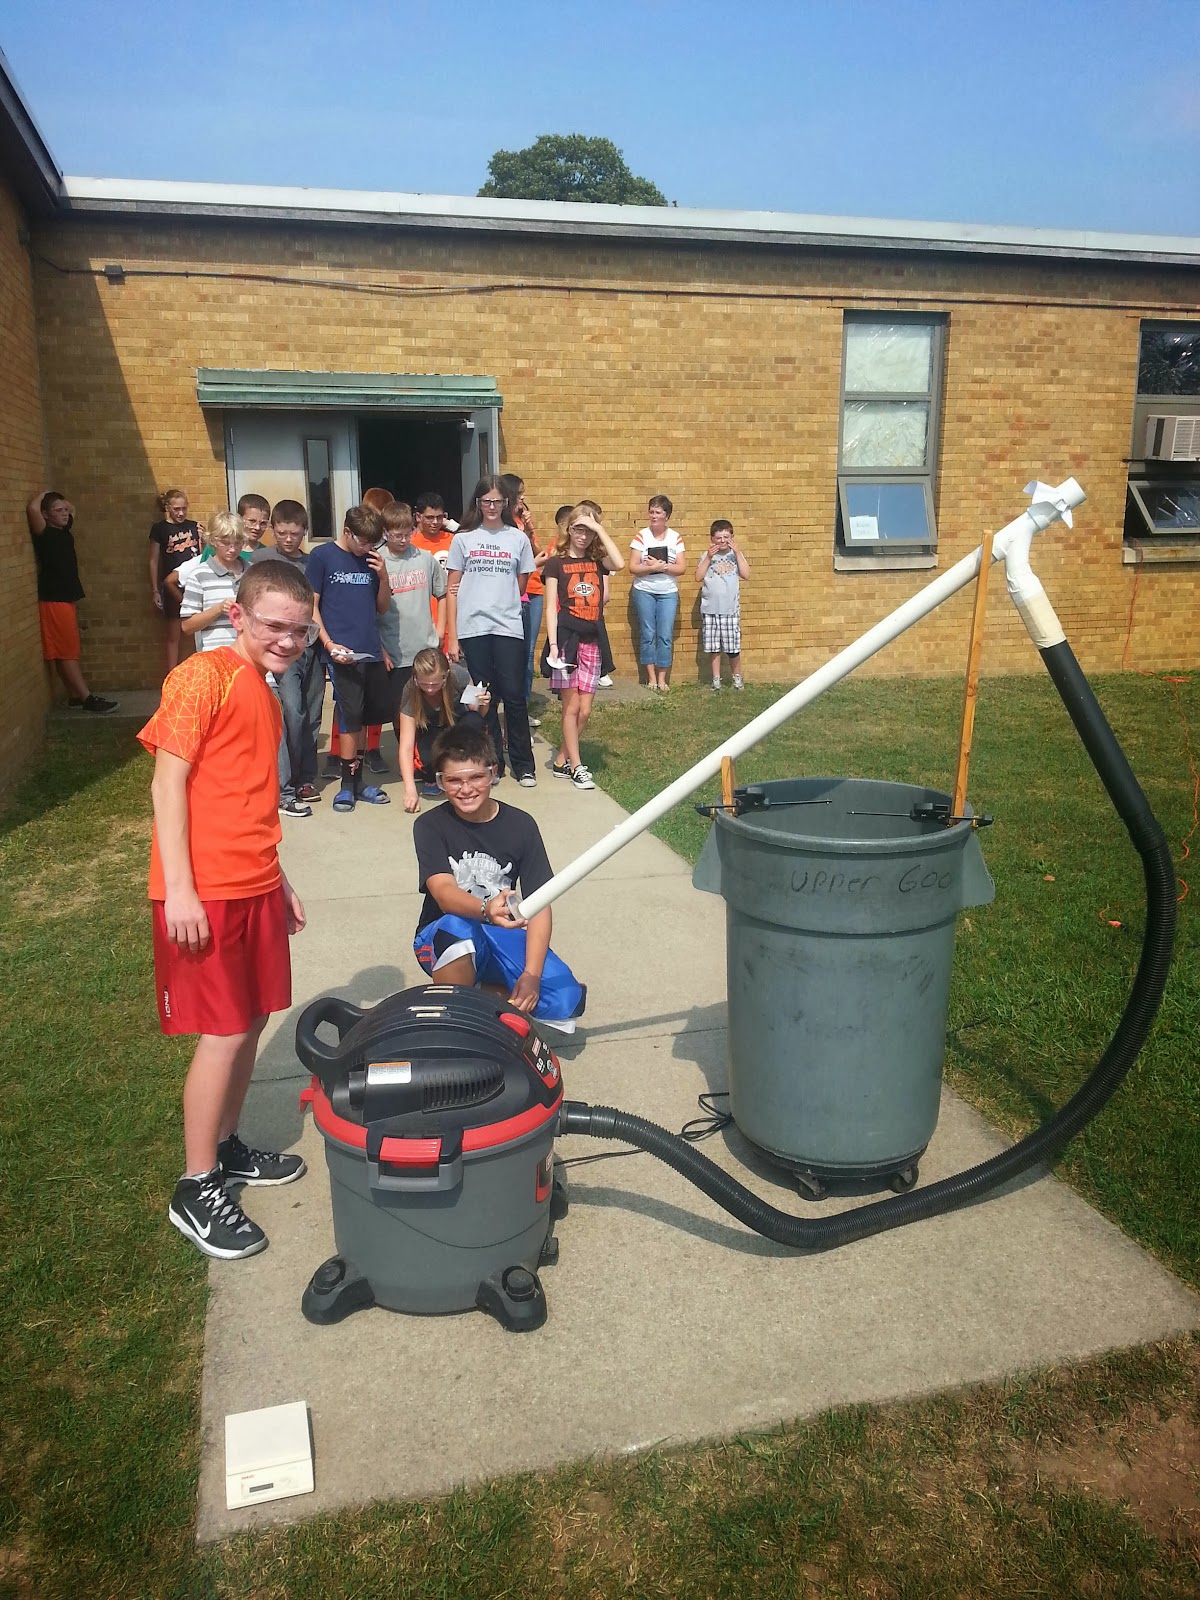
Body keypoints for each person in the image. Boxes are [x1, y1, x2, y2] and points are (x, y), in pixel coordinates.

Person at [138, 558, 318, 1260]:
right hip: (205, 890)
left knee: (253, 1017)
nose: (287, 640)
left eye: (299, 630)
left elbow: (247, 800)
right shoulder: (201, 676)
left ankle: (228, 1143)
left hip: (254, 884)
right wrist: (178, 888)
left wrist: (279, 879)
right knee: (220, 1030)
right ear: (238, 616)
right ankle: (196, 1183)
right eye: (274, 625)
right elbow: (167, 786)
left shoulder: (267, 692)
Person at [412, 722, 585, 1032]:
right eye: (453, 781)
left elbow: (539, 903)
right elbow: (443, 892)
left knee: (564, 999)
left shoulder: (521, 825)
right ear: (440, 781)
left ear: (493, 772)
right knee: (458, 929)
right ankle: (457, 1027)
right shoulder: (430, 825)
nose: (466, 790)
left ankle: (483, 995)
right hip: (442, 934)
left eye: (476, 777)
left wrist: (531, 974)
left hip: (502, 934)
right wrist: (485, 909)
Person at [445, 475, 537, 787]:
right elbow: (452, 589)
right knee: (484, 698)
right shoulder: (463, 538)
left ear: (506, 503)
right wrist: (453, 636)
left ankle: (524, 765)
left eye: (498, 501)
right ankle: (491, 762)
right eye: (487, 501)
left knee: (514, 695)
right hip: (474, 627)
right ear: (478, 503)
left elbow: (521, 584)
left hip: (508, 626)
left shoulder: (518, 539)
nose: (492, 507)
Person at [305, 503, 394, 812]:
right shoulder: (322, 557)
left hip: (369, 649)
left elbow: (381, 608)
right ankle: (345, 785)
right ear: (347, 532)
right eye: (364, 542)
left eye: (373, 543)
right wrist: (329, 644)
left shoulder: (370, 561)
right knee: (348, 717)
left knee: (366, 718)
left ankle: (359, 782)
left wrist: (383, 577)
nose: (368, 548)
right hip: (341, 653)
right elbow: (311, 607)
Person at [543, 506, 623, 790]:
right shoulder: (556, 564)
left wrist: (600, 529)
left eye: (588, 530)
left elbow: (620, 563)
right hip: (566, 639)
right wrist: (552, 645)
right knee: (572, 705)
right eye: (578, 528)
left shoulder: (597, 561)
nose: (583, 535)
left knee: (586, 710)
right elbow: (551, 607)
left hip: (593, 638)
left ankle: (562, 759)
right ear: (568, 530)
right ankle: (577, 766)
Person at [252, 499, 323, 816]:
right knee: (292, 711)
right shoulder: (261, 560)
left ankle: (306, 778)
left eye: (295, 533)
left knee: (312, 712)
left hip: (313, 647)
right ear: (272, 530)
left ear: (305, 531)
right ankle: (288, 784)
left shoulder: (313, 563)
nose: (288, 539)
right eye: (281, 533)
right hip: (284, 650)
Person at [26, 489, 118, 714]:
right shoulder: (44, 533)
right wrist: (45, 493)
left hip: (65, 597)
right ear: (46, 515)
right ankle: (87, 699)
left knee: (65, 649)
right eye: (58, 511)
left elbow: (72, 508)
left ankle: (75, 696)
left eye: (64, 510)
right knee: (67, 651)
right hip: (54, 598)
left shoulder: (64, 529)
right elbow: (31, 509)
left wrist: (60, 500)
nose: (65, 513)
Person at [378, 501, 447, 740]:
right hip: (395, 650)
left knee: (430, 705)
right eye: (397, 535)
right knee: (401, 710)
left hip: (425, 646)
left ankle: (426, 758)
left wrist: (440, 629)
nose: (403, 540)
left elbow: (443, 593)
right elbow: (371, 610)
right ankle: (408, 756)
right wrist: (380, 647)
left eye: (408, 534)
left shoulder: (425, 558)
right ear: (385, 533)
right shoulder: (378, 561)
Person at [397, 647, 490, 812]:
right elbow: (406, 746)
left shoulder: (458, 675)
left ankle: (474, 766)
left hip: (457, 724)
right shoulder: (410, 690)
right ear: (416, 678)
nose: (430, 689)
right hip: (430, 728)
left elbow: (477, 713)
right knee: (427, 760)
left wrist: (484, 703)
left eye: (435, 684)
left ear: (446, 676)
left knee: (474, 721)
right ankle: (431, 773)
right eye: (424, 684)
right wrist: (410, 791)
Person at [629, 493, 686, 691]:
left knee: (665, 634)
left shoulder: (675, 537)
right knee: (648, 633)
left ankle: (663, 678)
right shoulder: (641, 536)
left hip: (667, 591)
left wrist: (662, 568)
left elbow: (681, 568)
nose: (653, 516)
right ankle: (651, 677)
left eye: (658, 512)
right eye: (651, 512)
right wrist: (651, 568)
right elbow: (633, 567)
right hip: (644, 590)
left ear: (666, 516)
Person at [500, 473, 545, 712]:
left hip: (535, 589)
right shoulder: (503, 525)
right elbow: (527, 561)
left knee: (528, 653)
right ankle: (512, 706)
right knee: (515, 654)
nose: (524, 497)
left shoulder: (522, 522)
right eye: (520, 493)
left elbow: (539, 553)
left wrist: (530, 528)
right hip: (517, 591)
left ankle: (523, 707)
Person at [148, 488, 202, 674]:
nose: (181, 513)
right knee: (174, 634)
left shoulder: (194, 526)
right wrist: (155, 590)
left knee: (198, 631)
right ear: (168, 508)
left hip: (194, 584)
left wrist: (202, 539)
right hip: (172, 586)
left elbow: (203, 557)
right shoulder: (160, 529)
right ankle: (171, 676)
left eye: (184, 509)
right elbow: (154, 560)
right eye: (177, 509)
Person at [180, 512, 249, 654]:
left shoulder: (253, 572)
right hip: (216, 658)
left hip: (251, 658)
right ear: (212, 540)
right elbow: (187, 626)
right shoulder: (199, 575)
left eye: (237, 542)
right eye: (225, 543)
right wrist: (218, 609)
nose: (232, 549)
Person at [697, 518, 750, 690]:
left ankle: (737, 678)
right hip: (711, 609)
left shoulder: (735, 555)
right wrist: (709, 557)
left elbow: (746, 574)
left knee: (732, 647)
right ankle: (716, 680)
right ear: (712, 539)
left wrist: (738, 552)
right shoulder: (706, 556)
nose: (722, 541)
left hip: (730, 609)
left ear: (732, 537)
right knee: (714, 647)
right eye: (718, 538)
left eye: (726, 537)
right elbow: (698, 576)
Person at [410, 492, 456, 646]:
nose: (435, 522)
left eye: (440, 517)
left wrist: (451, 525)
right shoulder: (409, 544)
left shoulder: (453, 541)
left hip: (451, 618)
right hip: (421, 618)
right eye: (429, 517)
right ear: (418, 517)